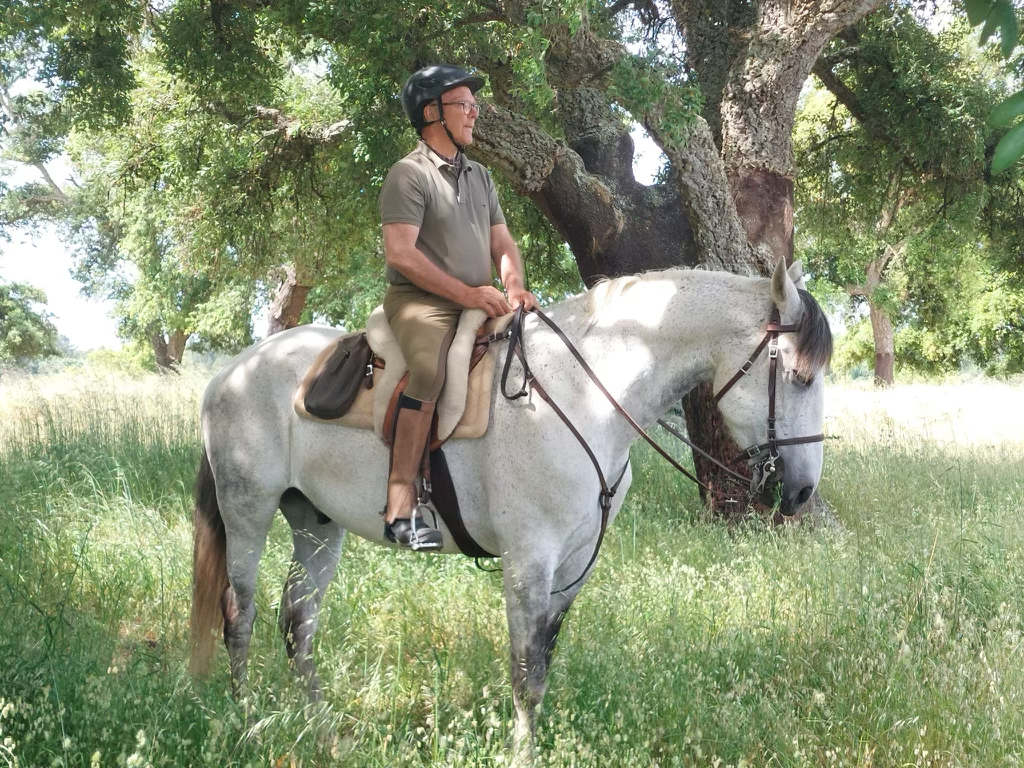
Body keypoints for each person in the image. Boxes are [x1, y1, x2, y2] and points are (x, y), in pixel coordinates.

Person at [378, 64, 538, 550]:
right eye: (464, 105)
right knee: (428, 371)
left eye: (474, 105)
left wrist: (514, 288)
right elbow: (400, 253)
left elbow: (503, 243)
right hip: (421, 302)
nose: (474, 113)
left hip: (481, 299)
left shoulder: (481, 177)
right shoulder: (408, 174)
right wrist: (467, 295)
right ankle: (399, 506)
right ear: (432, 113)